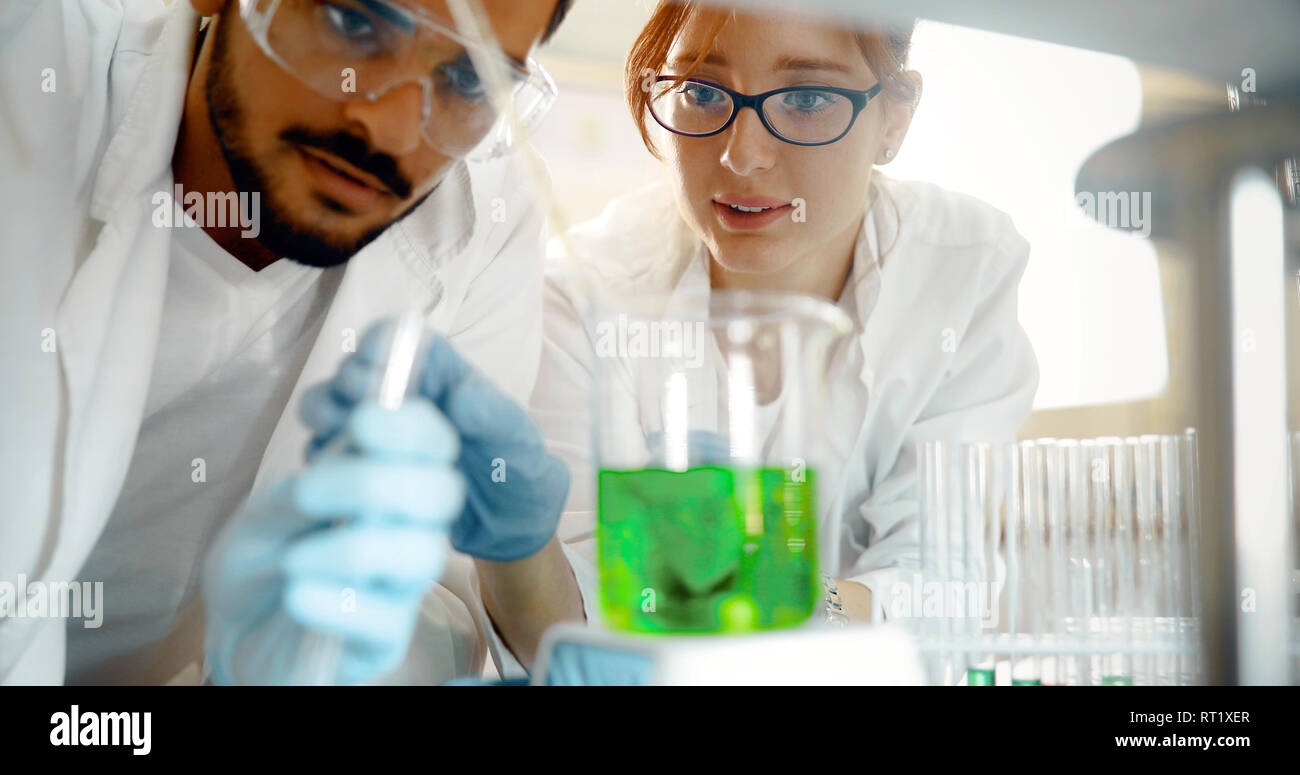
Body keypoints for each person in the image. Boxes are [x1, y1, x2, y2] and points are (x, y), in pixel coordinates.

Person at [0, 0, 573, 685]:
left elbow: (431, 603)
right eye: (355, 22)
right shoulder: (29, 72)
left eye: (472, 79)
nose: (390, 128)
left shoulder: (485, 214)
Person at [486, 0, 1041, 677]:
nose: (741, 154)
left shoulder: (961, 269)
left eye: (807, 97)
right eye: (701, 90)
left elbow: (944, 587)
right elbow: (575, 624)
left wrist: (776, 598)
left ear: (894, 117)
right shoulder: (584, 293)